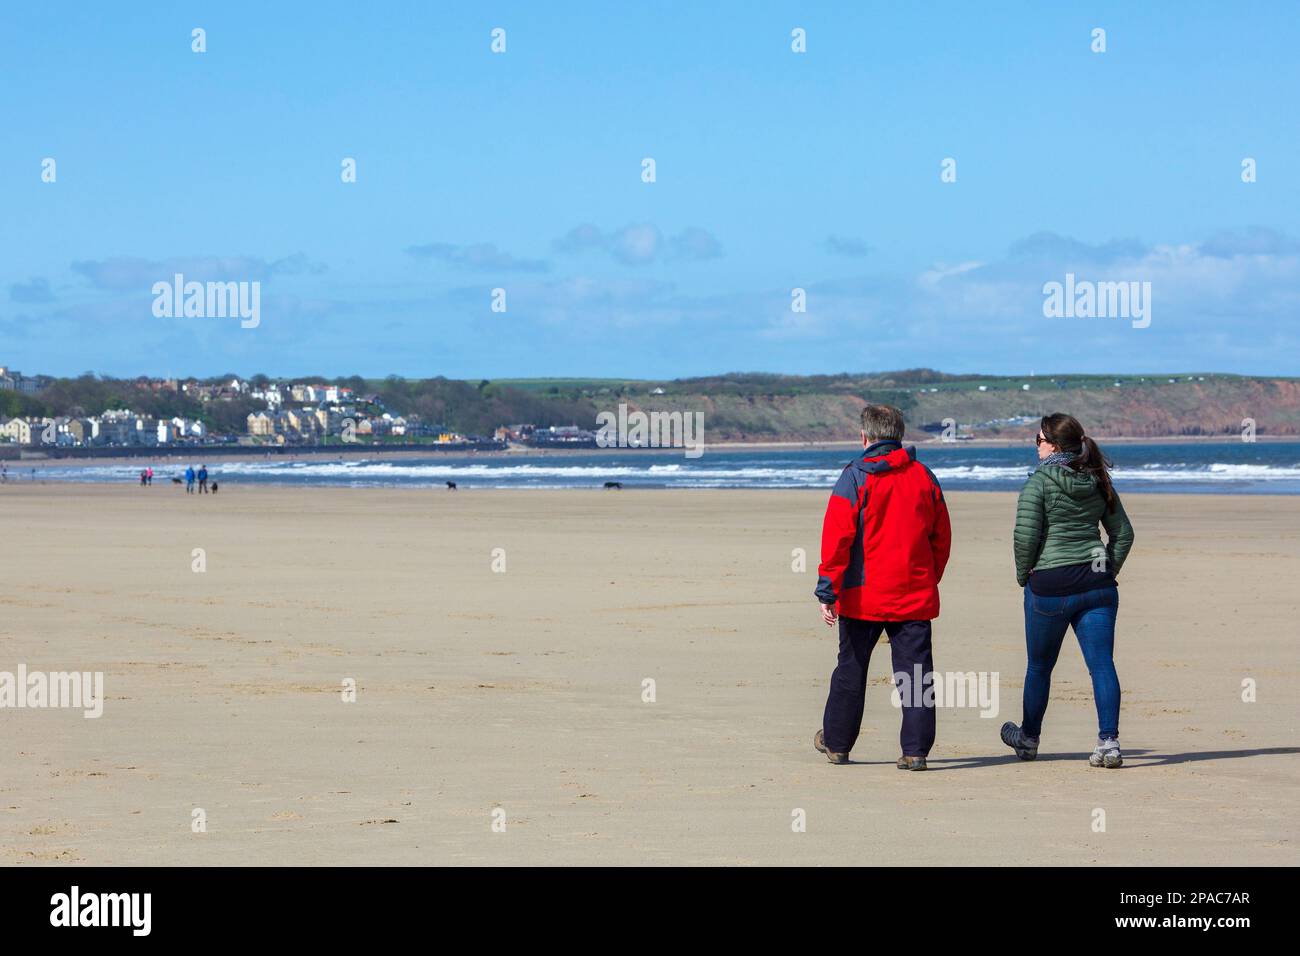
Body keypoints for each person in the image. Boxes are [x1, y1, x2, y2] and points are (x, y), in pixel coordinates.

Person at [813, 404, 952, 770]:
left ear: (865, 437)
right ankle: (915, 750)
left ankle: (838, 744)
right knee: (916, 674)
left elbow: (837, 538)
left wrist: (827, 590)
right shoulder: (924, 476)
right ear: (899, 435)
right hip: (911, 592)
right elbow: (941, 538)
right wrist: (928, 576)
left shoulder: (855, 476)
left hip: (863, 597)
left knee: (851, 669)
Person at [1001, 413, 1135, 768]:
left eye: (1039, 440)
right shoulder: (1098, 479)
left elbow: (1025, 537)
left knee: (1039, 667)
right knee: (1102, 665)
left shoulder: (1038, 483)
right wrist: (1107, 568)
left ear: (1054, 445)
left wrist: (1023, 576)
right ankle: (1109, 742)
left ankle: (1028, 739)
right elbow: (1124, 534)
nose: (1036, 446)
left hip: (1050, 586)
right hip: (1097, 585)